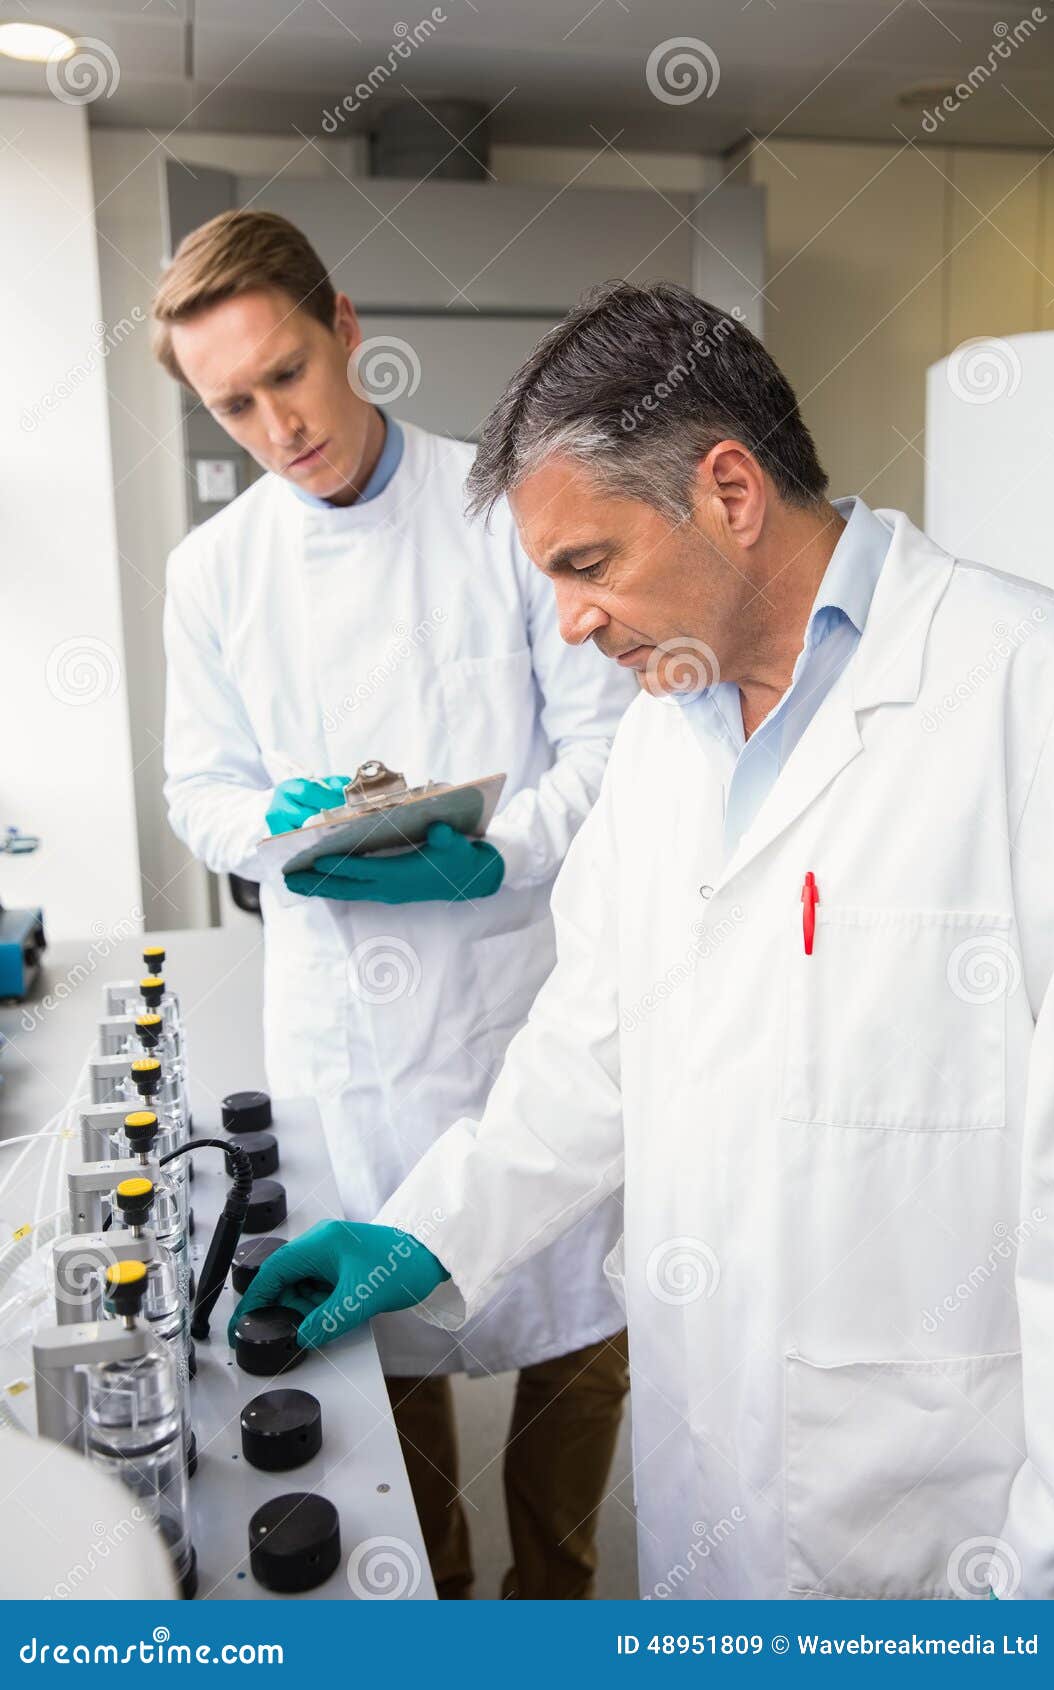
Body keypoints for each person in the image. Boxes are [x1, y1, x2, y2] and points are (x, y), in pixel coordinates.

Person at [233, 277, 1054, 1603]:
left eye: (587, 564)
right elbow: (595, 1046)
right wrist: (432, 1227)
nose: (568, 621)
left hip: (938, 1532)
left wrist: (1043, 1587)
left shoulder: (1029, 700)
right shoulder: (666, 740)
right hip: (707, 1495)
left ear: (730, 493)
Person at [153, 213, 635, 1600]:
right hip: (349, 1038)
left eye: (288, 373)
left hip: (518, 1003)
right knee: (377, 1345)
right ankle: (428, 1598)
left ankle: (553, 1593)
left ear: (347, 325)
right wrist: (282, 832)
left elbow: (610, 746)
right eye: (231, 403)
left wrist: (503, 849)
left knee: (569, 1323)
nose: (275, 423)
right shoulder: (215, 573)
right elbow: (201, 783)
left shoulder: (504, 517)